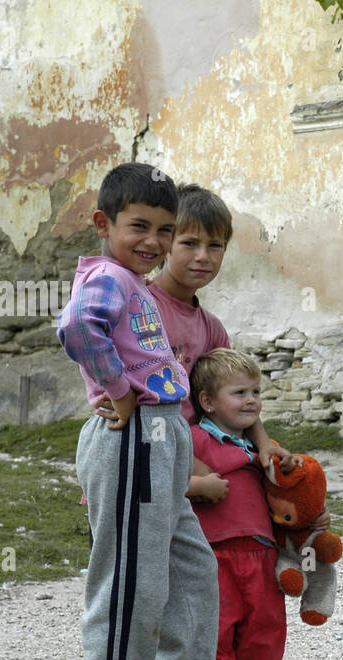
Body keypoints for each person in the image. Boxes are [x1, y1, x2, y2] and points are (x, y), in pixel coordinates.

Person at [57, 162, 228, 660]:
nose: (153, 242)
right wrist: (119, 390)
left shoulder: (135, 283)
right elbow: (77, 326)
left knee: (190, 571)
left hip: (163, 438)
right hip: (132, 435)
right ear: (104, 224)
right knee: (130, 585)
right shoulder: (107, 275)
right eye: (139, 227)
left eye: (163, 229)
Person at [145, 183, 277, 500]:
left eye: (215, 246)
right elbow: (139, 403)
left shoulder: (212, 329)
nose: (203, 257)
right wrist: (187, 465)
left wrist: (265, 445)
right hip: (145, 463)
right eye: (189, 243)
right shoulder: (142, 310)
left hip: (197, 468)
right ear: (165, 244)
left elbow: (233, 391)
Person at [188, 348, 288, 660]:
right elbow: (165, 478)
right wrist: (198, 485)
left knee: (263, 632)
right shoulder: (194, 439)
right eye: (239, 393)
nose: (251, 401)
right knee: (216, 632)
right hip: (215, 555)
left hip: (261, 554)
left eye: (256, 392)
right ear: (208, 402)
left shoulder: (258, 445)